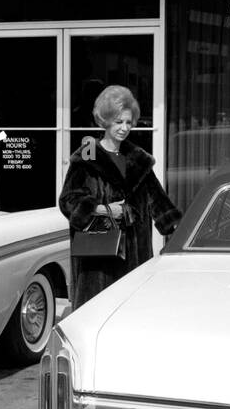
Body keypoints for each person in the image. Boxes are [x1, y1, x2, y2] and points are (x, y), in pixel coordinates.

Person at [59, 84, 182, 309]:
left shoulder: (138, 159)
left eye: (128, 122)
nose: (124, 128)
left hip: (135, 252)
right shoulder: (88, 156)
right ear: (105, 121)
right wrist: (105, 209)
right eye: (118, 122)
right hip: (99, 258)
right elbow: (68, 201)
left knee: (130, 313)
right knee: (96, 313)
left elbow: (159, 201)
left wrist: (180, 230)